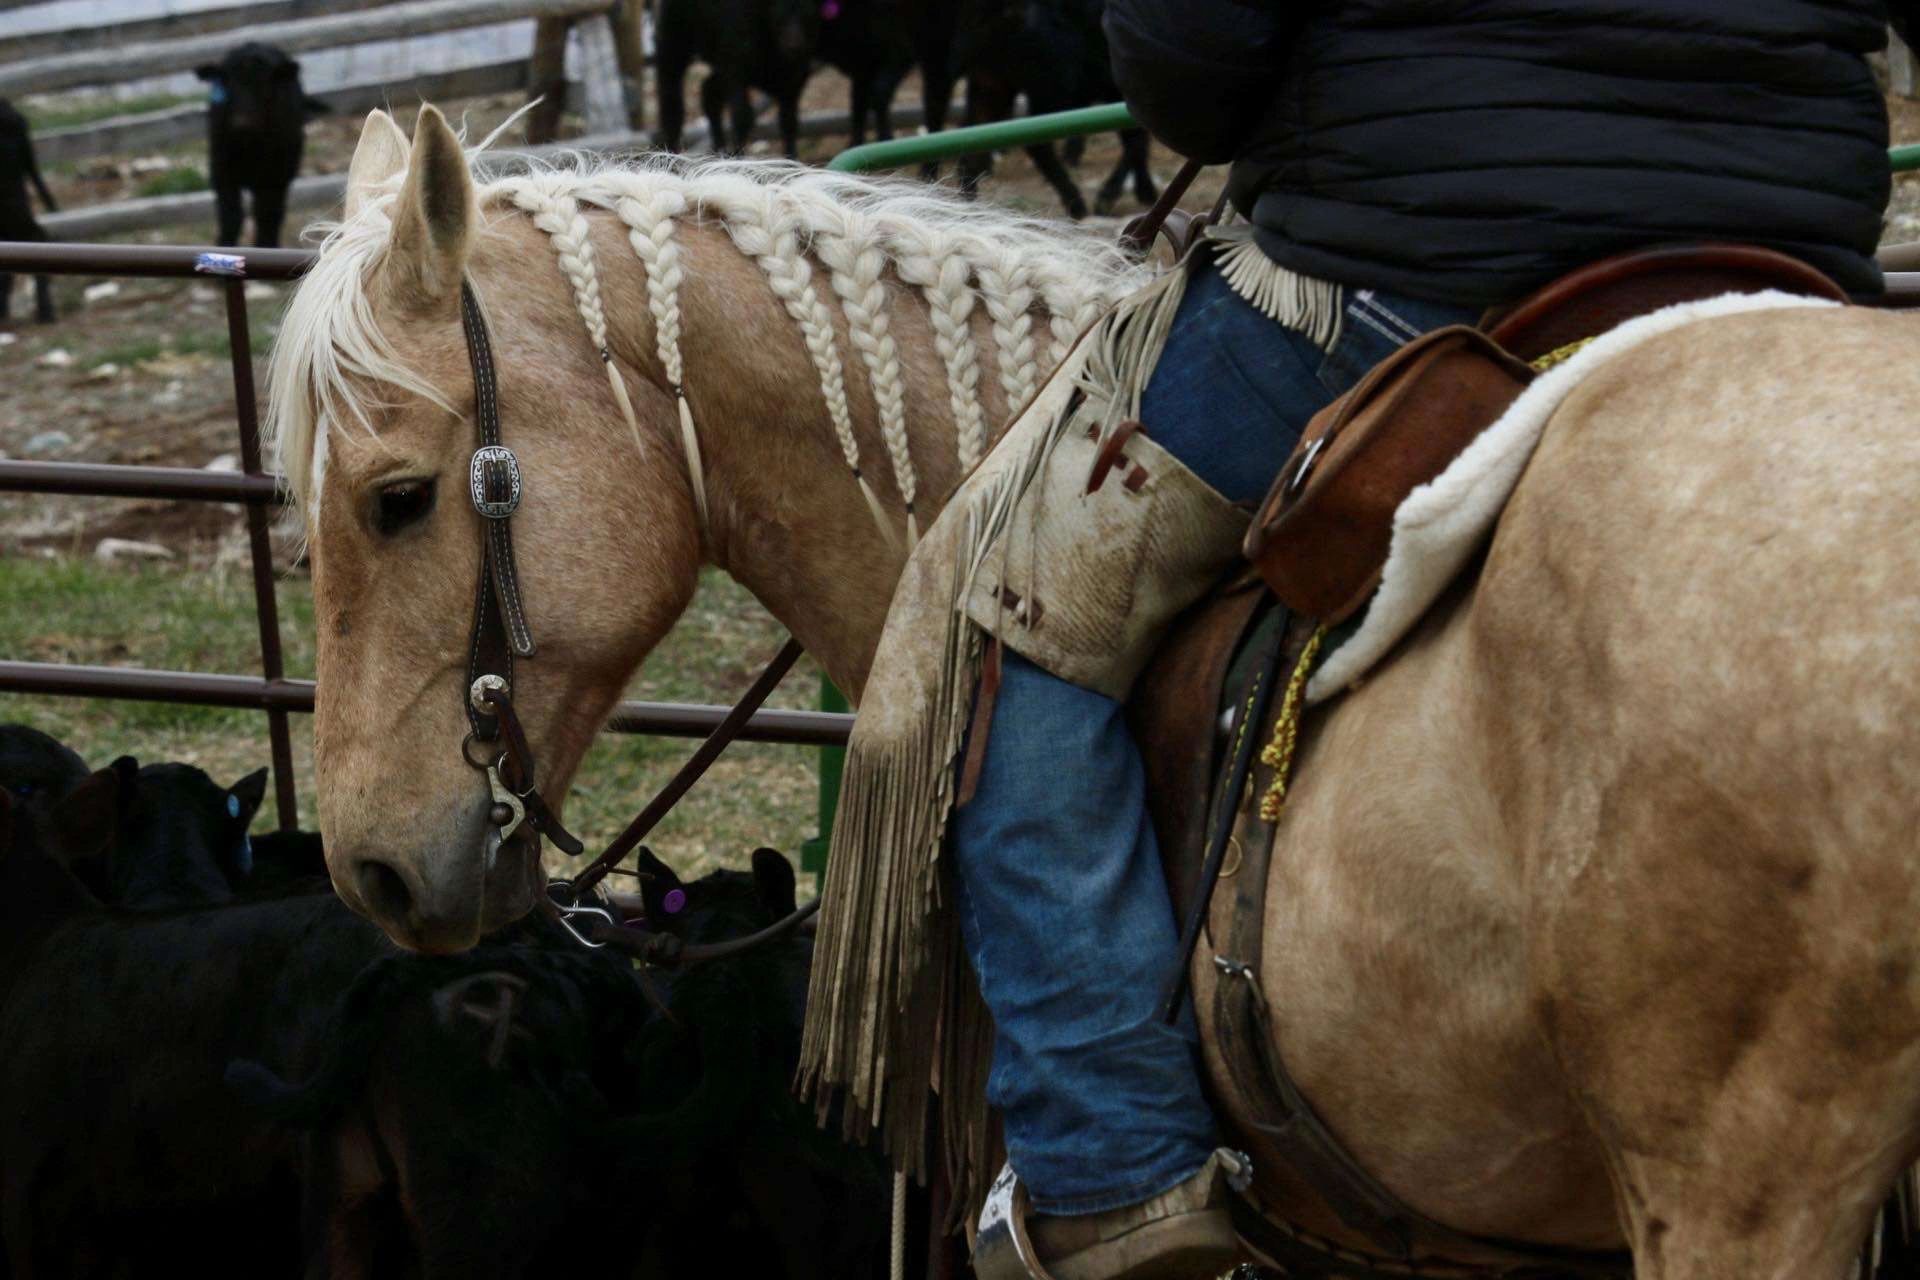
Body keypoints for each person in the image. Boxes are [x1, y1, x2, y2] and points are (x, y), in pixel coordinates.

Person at [952, 3, 1917, 1277]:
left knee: (1017, 618)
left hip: (1407, 274)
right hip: (1781, 263)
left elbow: (1194, 71)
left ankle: (1109, 1167)